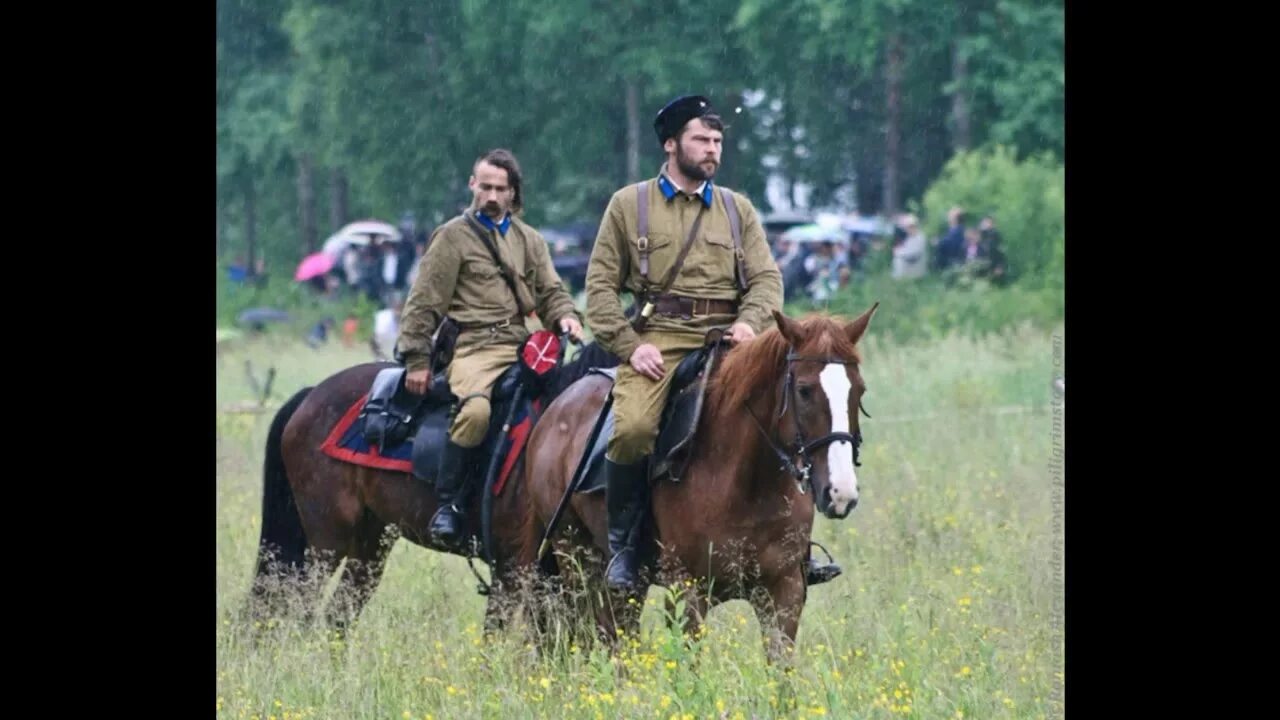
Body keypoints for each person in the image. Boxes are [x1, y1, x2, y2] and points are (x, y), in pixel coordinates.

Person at [584, 94, 842, 591]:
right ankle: (625, 547)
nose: (712, 150)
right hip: (659, 341)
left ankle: (793, 550)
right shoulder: (628, 205)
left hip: (732, 341)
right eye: (701, 139)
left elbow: (767, 279)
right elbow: (598, 290)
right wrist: (630, 345)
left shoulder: (737, 209)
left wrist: (750, 322)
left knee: (786, 414)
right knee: (634, 428)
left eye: (718, 141)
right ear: (670, 144)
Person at [396, 148, 584, 547]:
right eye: (485, 187)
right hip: (476, 347)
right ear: (472, 185)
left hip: (525, 344)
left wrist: (566, 316)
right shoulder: (452, 237)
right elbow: (424, 301)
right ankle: (450, 505)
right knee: (477, 412)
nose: (493, 196)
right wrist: (416, 358)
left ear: (514, 192)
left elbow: (550, 291)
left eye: (501, 188)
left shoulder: (529, 239)